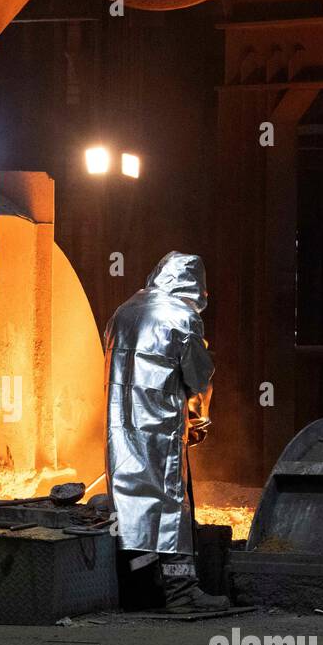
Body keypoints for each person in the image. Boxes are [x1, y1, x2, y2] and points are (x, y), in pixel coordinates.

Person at [104, 251, 229, 611]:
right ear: (195, 288)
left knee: (131, 507)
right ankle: (181, 591)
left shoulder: (123, 312)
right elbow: (197, 376)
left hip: (120, 428)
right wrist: (198, 415)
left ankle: (138, 590)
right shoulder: (182, 316)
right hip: (160, 427)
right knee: (171, 506)